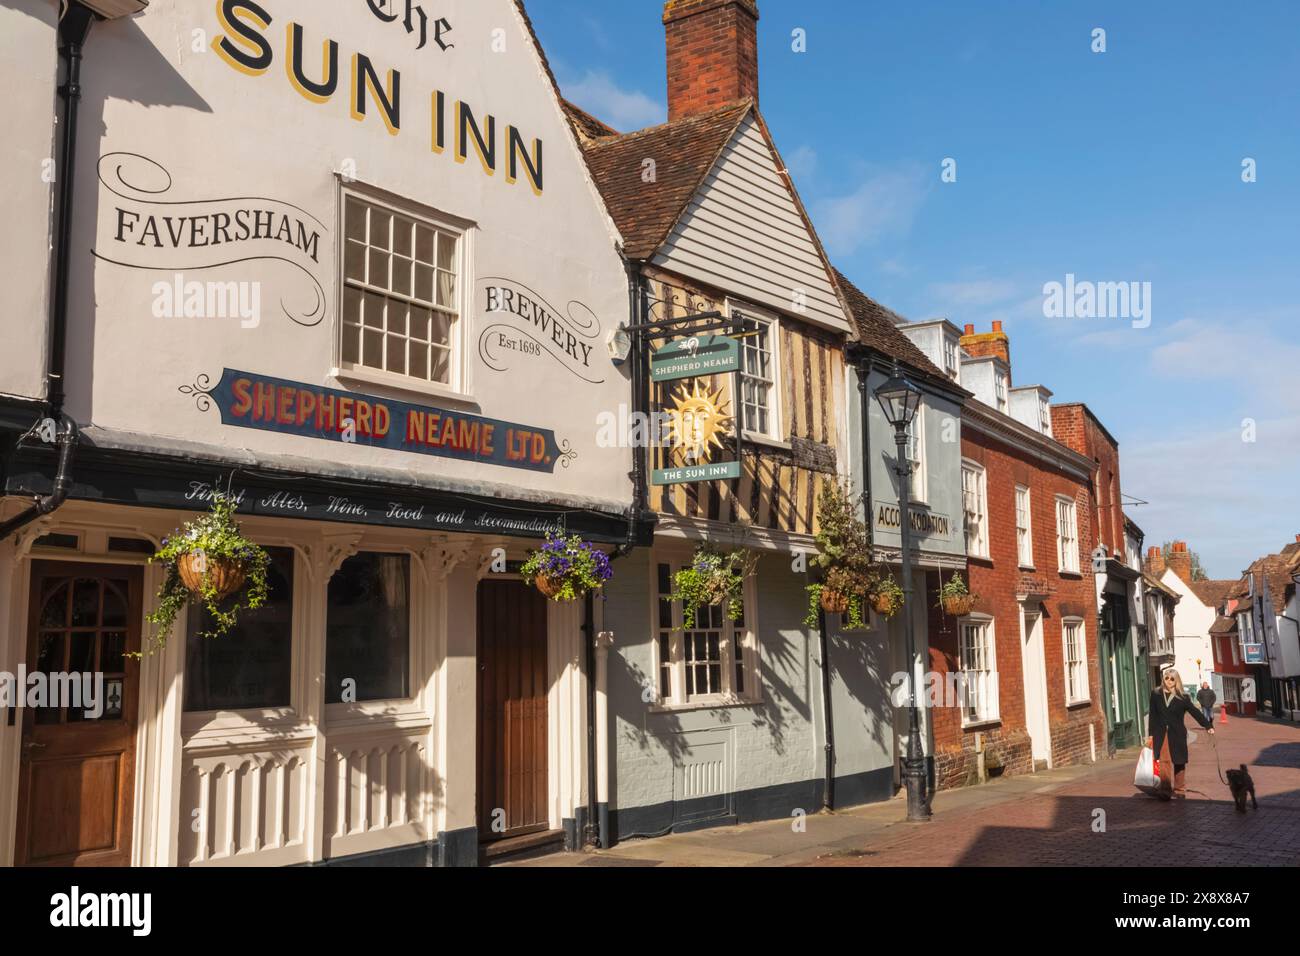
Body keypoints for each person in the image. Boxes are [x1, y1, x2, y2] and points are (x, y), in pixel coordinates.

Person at [1148, 668, 1215, 799]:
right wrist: (1151, 734)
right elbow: (1152, 715)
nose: (1168, 681)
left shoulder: (1183, 697)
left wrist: (1208, 725)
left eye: (1172, 679)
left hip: (1177, 733)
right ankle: (1165, 791)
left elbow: (1195, 712)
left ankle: (1179, 789)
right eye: (1166, 678)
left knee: (1179, 761)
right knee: (1164, 761)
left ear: (1176, 680)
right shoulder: (1156, 694)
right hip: (1161, 733)